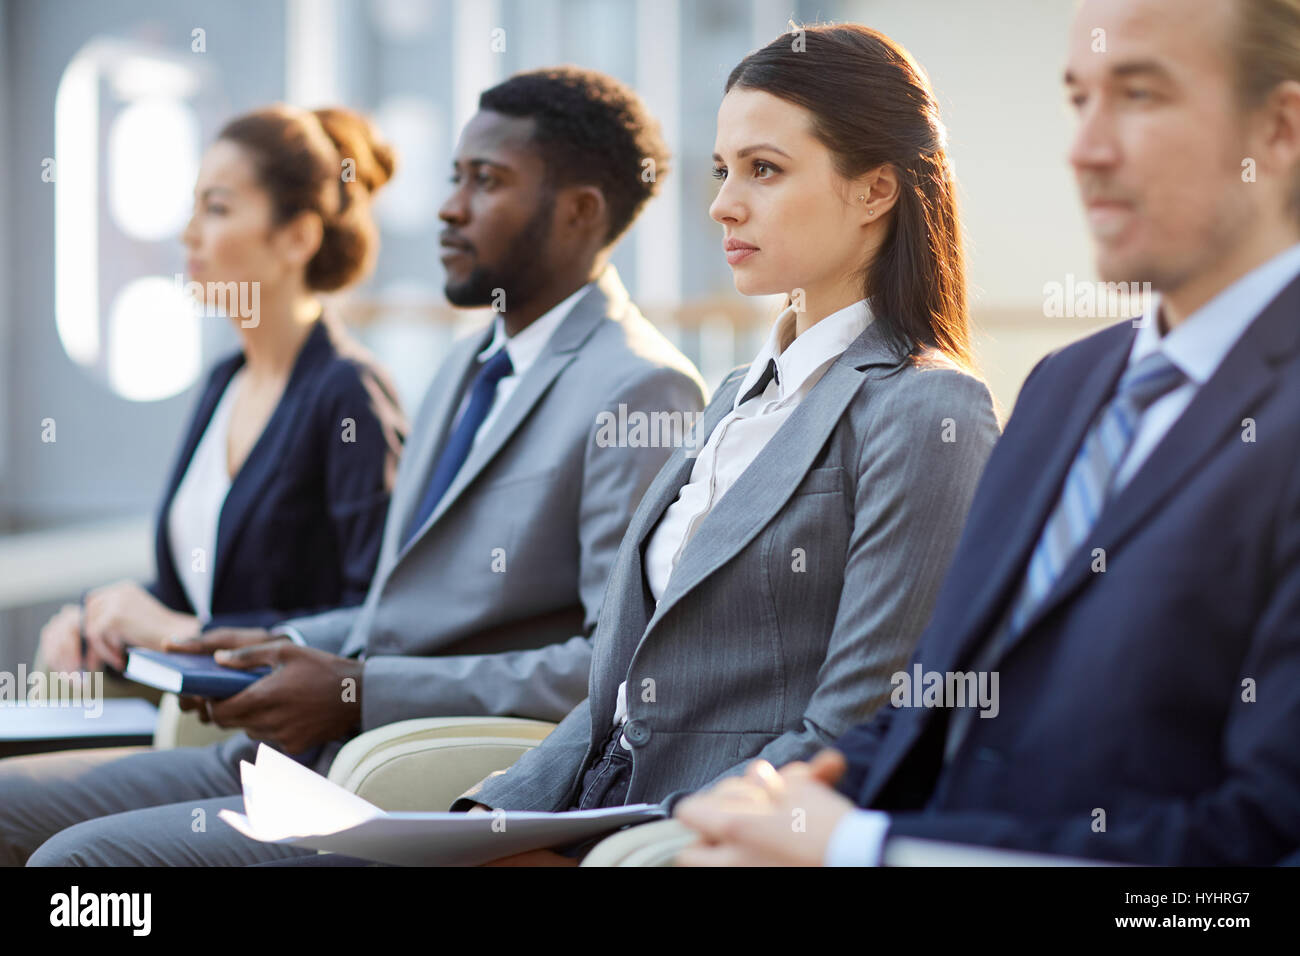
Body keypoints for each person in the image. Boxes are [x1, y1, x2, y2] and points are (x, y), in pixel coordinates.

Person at [1, 66, 706, 868]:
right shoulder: (466, 366)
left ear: (580, 212)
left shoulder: (640, 384)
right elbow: (395, 610)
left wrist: (357, 689)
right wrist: (262, 649)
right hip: (317, 747)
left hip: (413, 779)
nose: (448, 206)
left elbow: (608, 668)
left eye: (486, 182)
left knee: (79, 866)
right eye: (453, 178)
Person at [675, 0, 1300, 867]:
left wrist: (867, 847)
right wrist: (776, 808)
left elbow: (1254, 851)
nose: (1086, 148)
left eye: (1142, 96)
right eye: (1079, 100)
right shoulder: (1066, 385)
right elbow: (932, 698)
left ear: (1278, 129)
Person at [449, 23, 1000, 866]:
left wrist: (633, 842)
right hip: (596, 818)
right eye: (722, 170)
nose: (722, 204)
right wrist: (490, 816)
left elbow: (848, 729)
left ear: (875, 189)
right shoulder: (735, 396)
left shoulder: (926, 407)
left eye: (764, 170)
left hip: (696, 841)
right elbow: (617, 694)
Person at [34, 104, 404, 686]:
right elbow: (198, 595)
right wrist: (97, 617)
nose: (189, 234)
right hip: (193, 714)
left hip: (283, 744)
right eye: (194, 207)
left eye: (217, 208)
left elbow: (377, 625)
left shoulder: (349, 394)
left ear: (298, 237)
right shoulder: (224, 383)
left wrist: (178, 633)